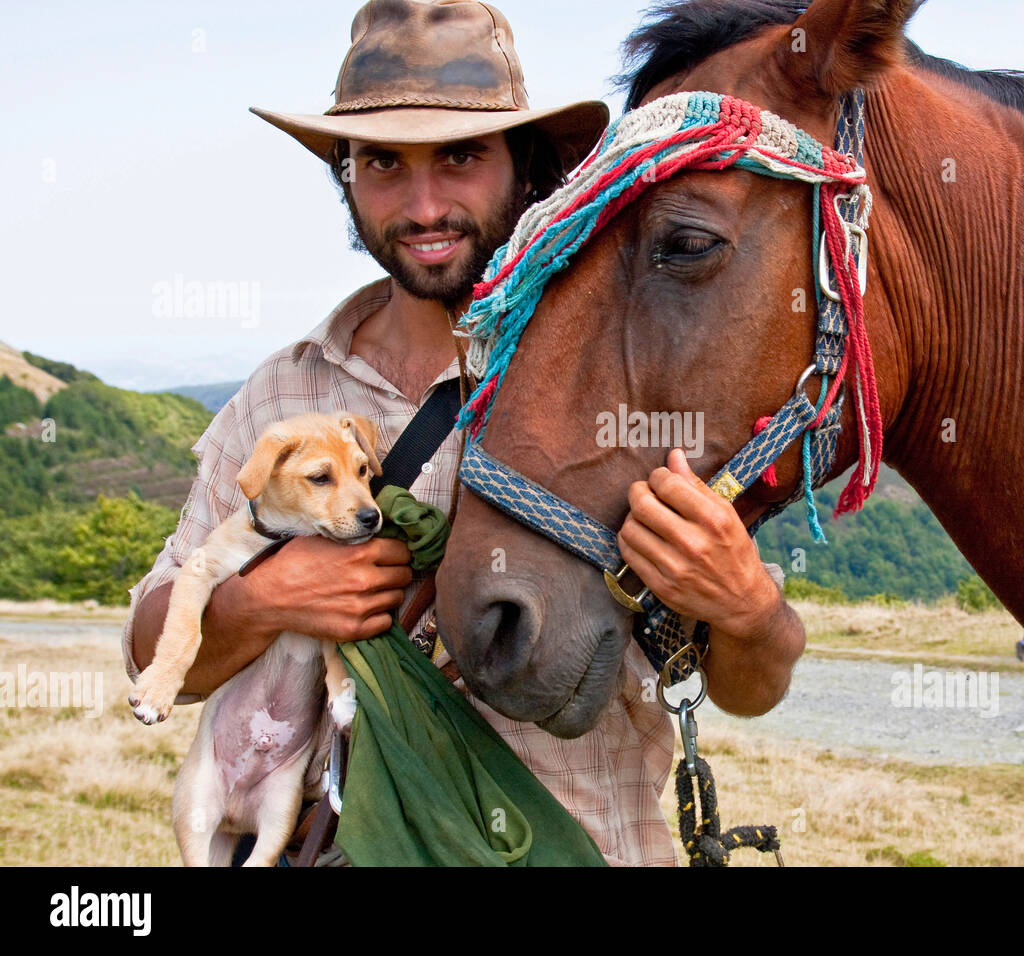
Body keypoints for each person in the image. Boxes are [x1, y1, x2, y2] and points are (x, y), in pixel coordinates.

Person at [121, 0, 805, 866]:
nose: (424, 203)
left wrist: (748, 609)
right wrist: (261, 602)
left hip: (576, 844)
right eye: (382, 163)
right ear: (345, 175)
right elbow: (152, 656)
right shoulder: (281, 396)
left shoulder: (620, 378)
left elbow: (752, 684)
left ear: (524, 166)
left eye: (460, 156)